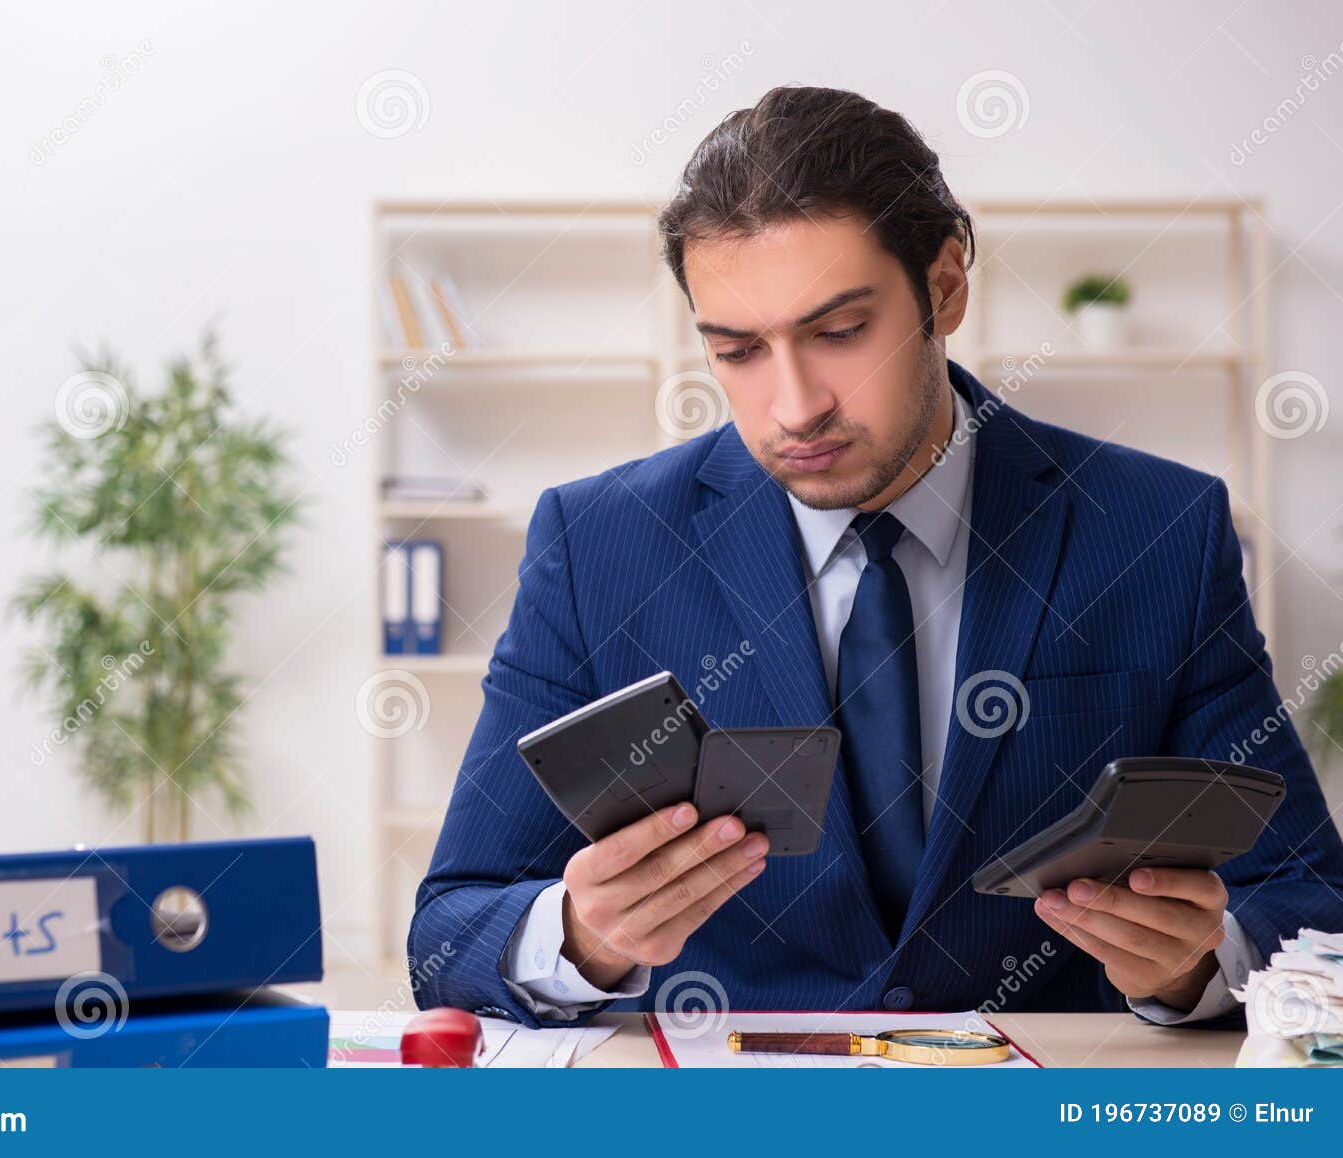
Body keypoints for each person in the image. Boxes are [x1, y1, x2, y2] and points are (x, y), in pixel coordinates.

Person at [409, 85, 1343, 1027]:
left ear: (944, 287)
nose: (794, 406)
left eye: (840, 333)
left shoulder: (1156, 530)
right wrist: (580, 936)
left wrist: (1192, 968)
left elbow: (1310, 906)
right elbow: (445, 934)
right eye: (737, 351)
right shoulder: (597, 543)